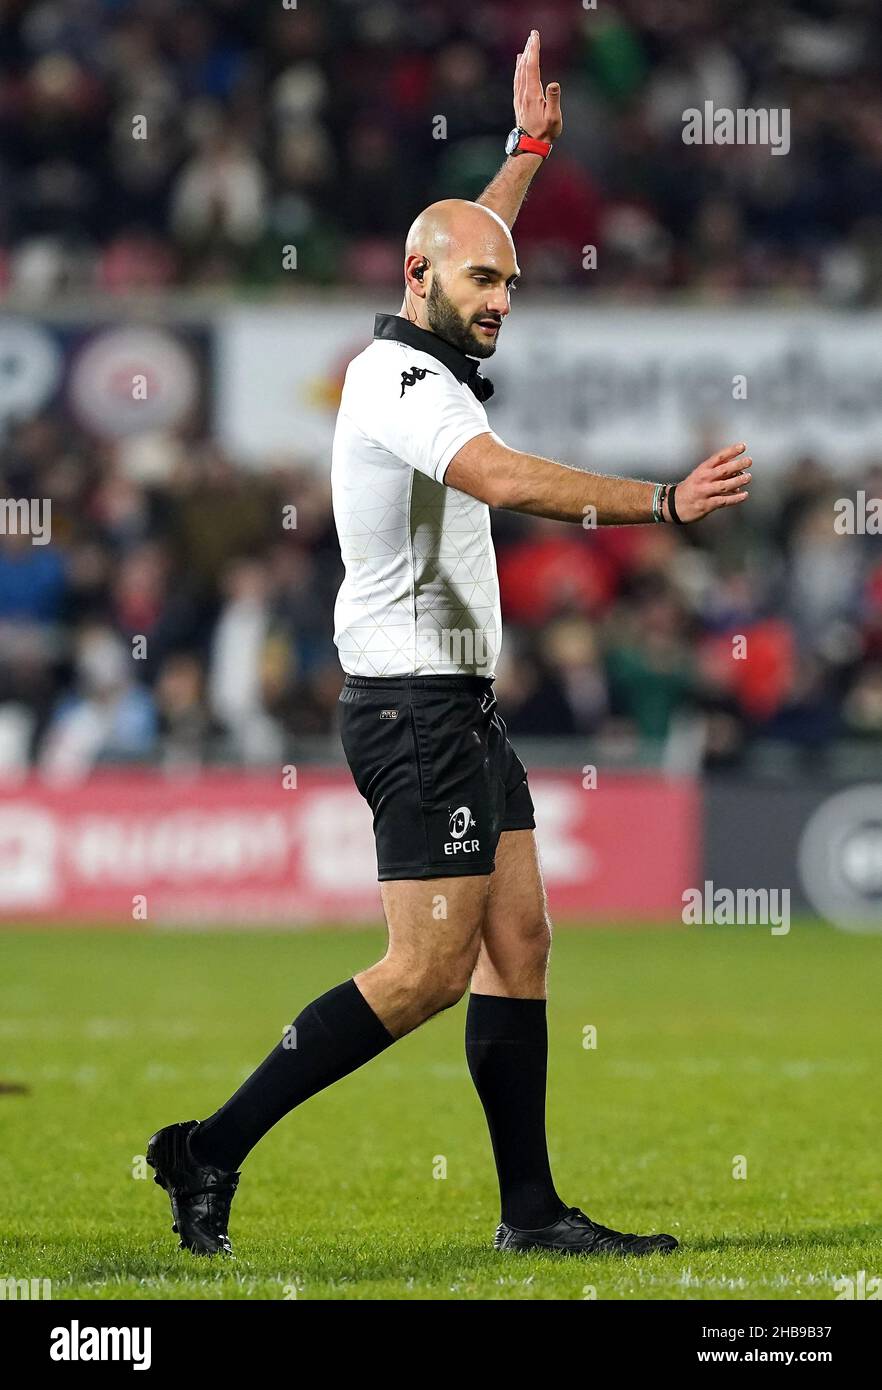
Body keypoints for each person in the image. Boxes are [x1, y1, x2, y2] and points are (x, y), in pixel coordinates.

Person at [147, 31, 751, 1259]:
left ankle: (529, 1212)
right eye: (487, 286)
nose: (503, 302)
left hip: (459, 704)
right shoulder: (399, 388)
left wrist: (525, 152)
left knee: (518, 944)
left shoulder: (435, 326)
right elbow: (509, 477)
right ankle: (206, 1147)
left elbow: (472, 228)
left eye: (513, 286)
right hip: (411, 710)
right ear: (421, 281)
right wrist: (665, 504)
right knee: (423, 972)